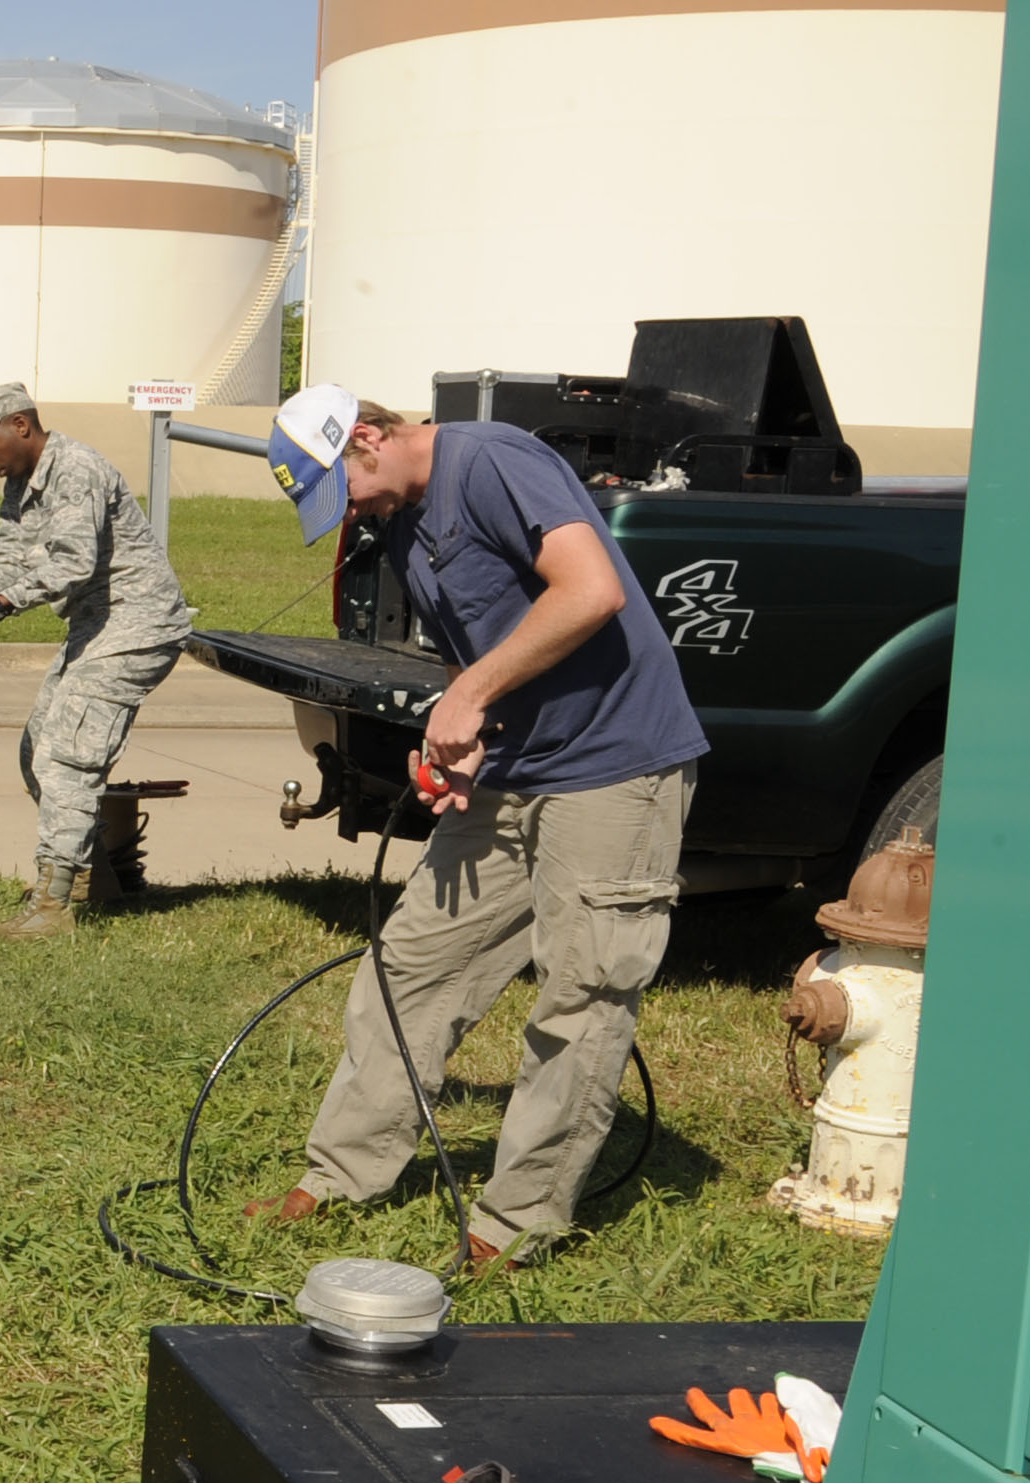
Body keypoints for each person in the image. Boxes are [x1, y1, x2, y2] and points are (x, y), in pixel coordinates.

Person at [249, 383, 711, 1269]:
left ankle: (513, 1227)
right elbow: (498, 644)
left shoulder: (492, 458)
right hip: (515, 770)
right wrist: (471, 739)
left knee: (581, 996)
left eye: (348, 489)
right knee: (412, 966)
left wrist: (467, 693)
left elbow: (590, 590)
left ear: (373, 437)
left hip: (615, 768)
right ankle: (340, 1174)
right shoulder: (408, 520)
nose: (356, 511)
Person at [0, 382, 194, 937]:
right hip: (96, 626)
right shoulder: (22, 480)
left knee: (67, 758)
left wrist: (4, 602)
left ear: (21, 426)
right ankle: (94, 877)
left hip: (138, 624)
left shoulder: (77, 469)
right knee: (38, 749)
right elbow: (12, 550)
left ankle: (54, 906)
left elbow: (73, 562)